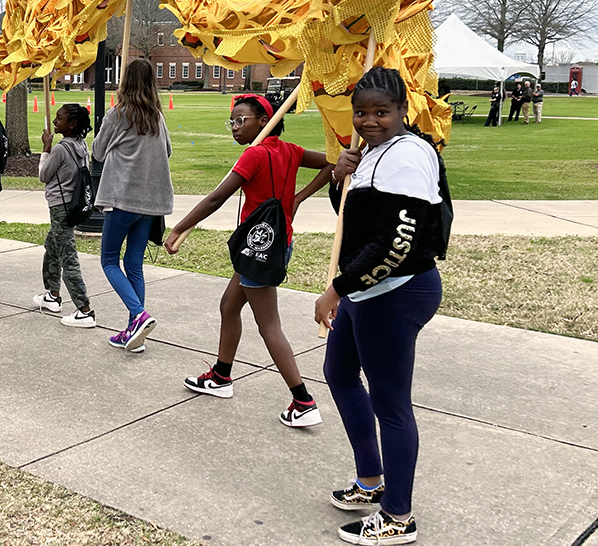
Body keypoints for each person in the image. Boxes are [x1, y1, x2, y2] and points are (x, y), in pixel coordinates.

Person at [314, 67, 449, 546]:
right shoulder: (371, 152)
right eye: (362, 112)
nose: (370, 120)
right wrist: (338, 178)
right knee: (339, 372)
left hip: (396, 291)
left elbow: (397, 242)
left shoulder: (410, 155)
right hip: (364, 291)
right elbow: (352, 221)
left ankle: (397, 516)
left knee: (391, 404)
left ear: (402, 112)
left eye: (381, 112)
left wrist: (338, 288)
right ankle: (371, 481)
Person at [164, 94, 333, 427]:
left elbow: (216, 198)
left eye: (241, 119)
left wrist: (181, 227)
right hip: (272, 245)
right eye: (232, 120)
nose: (234, 126)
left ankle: (303, 400)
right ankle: (222, 376)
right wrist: (296, 198)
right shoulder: (291, 151)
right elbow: (332, 162)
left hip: (260, 249)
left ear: (263, 121)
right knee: (229, 305)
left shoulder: (254, 155)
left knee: (269, 324)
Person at [93, 58, 174, 354]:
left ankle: (138, 316)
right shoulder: (157, 117)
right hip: (151, 202)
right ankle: (134, 331)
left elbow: (98, 152)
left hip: (122, 198)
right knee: (134, 263)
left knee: (109, 261)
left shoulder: (117, 114)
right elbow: (167, 150)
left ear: (125, 81)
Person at [34, 103, 94, 326]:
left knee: (67, 255)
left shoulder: (60, 149)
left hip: (60, 206)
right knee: (52, 245)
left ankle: (84, 309)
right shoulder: (81, 145)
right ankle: (52, 295)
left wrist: (46, 148)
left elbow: (43, 175)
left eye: (59, 118)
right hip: (74, 204)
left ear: (72, 124)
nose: (54, 121)